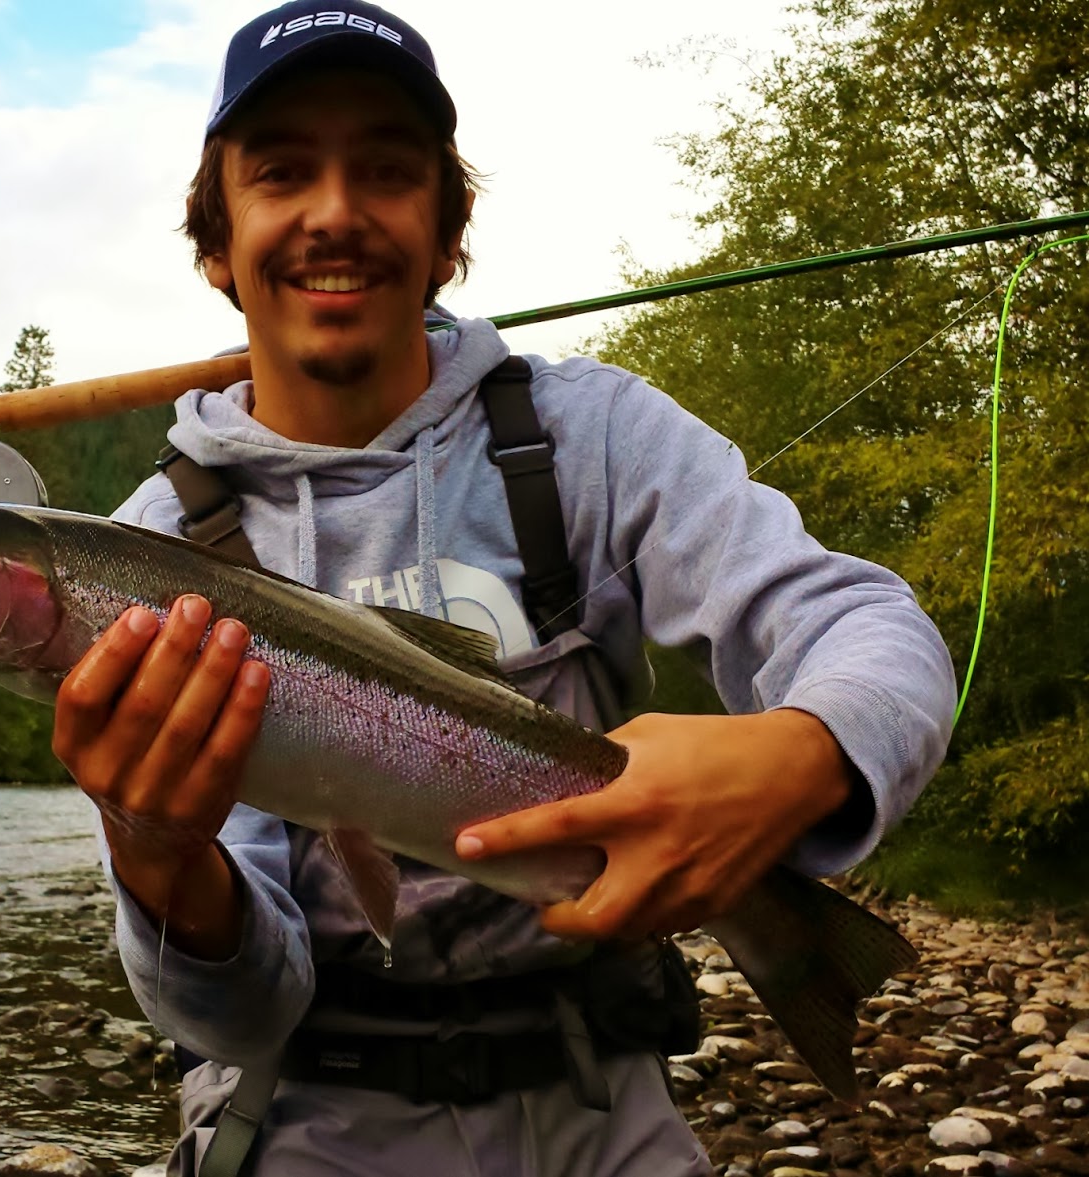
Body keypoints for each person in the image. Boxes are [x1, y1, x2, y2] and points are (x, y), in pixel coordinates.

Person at [51, 3, 957, 1173]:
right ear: (217, 244)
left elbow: (867, 624)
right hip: (303, 1118)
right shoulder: (148, 560)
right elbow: (237, 1017)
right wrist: (159, 859)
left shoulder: (593, 435)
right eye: (281, 172)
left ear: (445, 232)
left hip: (605, 1105)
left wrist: (796, 757)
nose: (334, 210)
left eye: (385, 168)